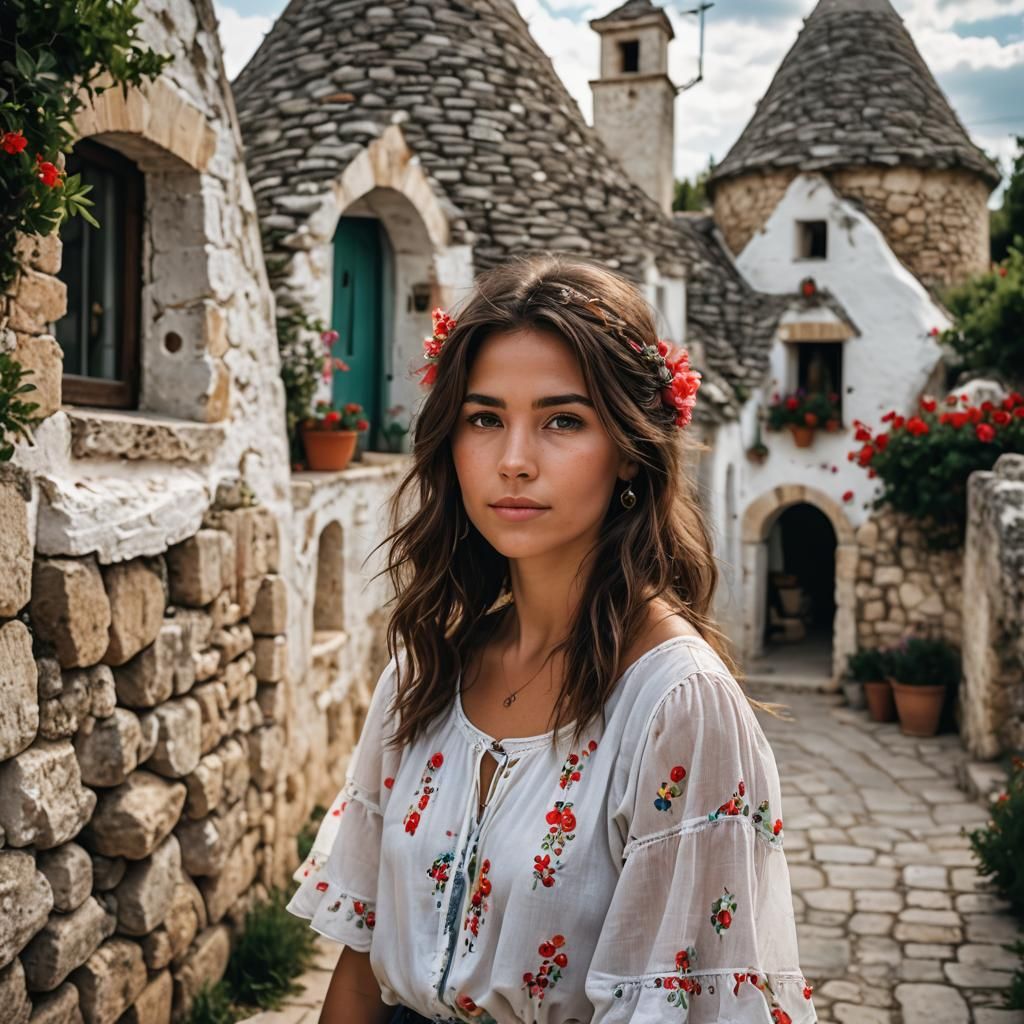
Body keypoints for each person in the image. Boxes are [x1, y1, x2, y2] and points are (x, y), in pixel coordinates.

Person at [286, 253, 817, 1024]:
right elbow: (364, 964)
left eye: (562, 421)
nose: (513, 461)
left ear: (631, 449)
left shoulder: (677, 708)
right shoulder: (427, 668)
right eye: (485, 418)